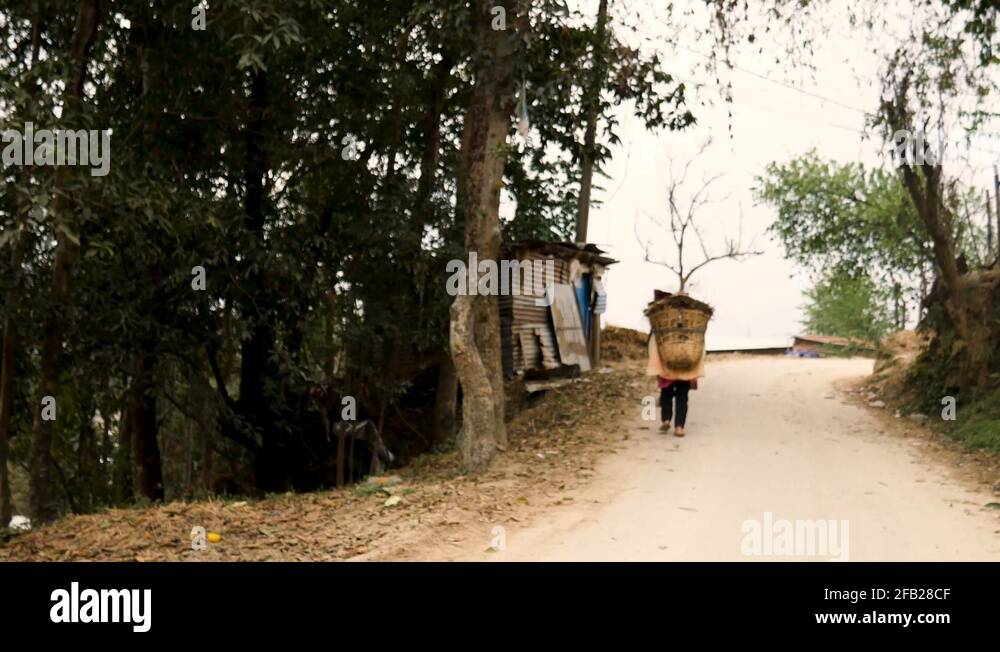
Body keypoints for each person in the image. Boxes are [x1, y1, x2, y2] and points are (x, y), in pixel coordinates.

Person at [646, 290, 704, 437]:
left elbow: (654, 344)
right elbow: (700, 346)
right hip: (687, 364)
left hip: (667, 364)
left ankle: (666, 419)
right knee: (682, 396)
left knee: (666, 393)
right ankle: (679, 427)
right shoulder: (693, 322)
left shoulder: (665, 320)